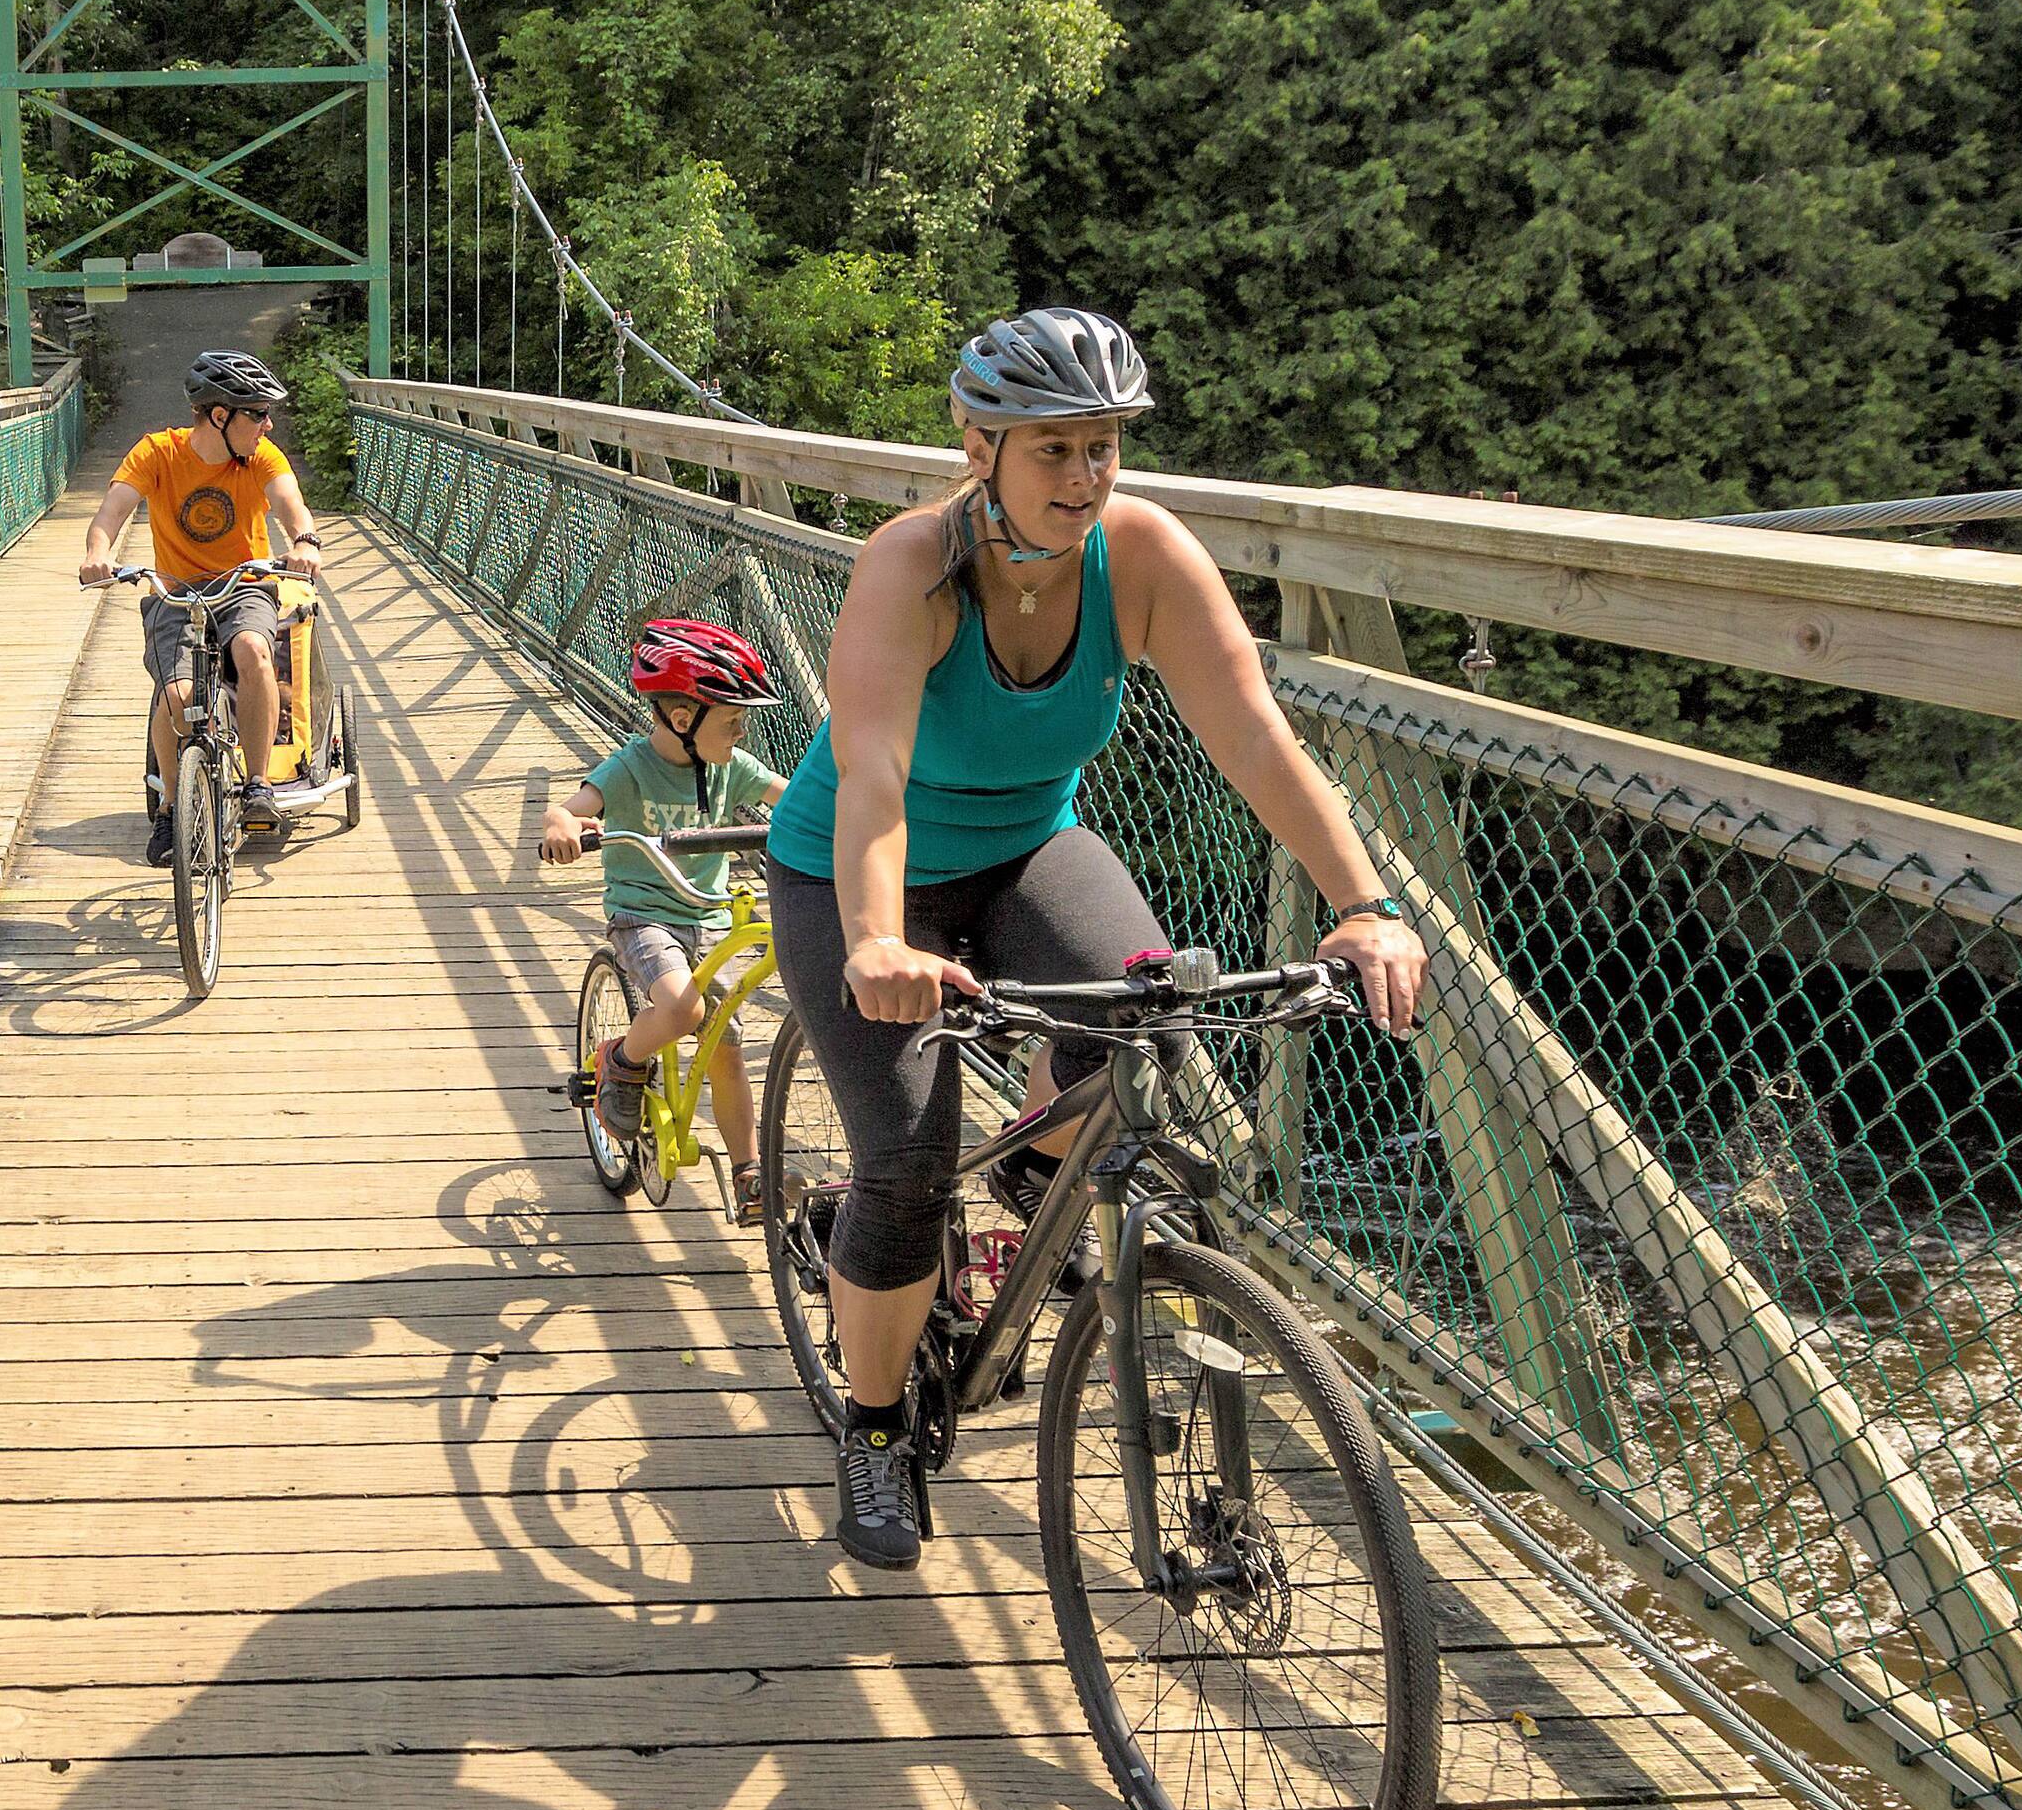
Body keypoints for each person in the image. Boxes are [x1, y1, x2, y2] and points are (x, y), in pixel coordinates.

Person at [764, 305, 1429, 1570]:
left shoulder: (1144, 554)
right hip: (860, 876)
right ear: (980, 447)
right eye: (1051, 448)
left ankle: (1036, 1174)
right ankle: (875, 1423)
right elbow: (871, 779)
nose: (1083, 477)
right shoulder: (910, 565)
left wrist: (1365, 903)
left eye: (1103, 446)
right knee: (904, 1162)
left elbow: (1249, 738)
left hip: (1027, 846)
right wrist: (870, 942)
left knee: (1147, 1024)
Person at [538, 618, 788, 1218]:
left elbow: (798, 799)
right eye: (731, 719)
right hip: (644, 916)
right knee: (682, 1008)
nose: (741, 730)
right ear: (684, 720)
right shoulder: (628, 768)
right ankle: (621, 1061)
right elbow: (569, 807)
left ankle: (748, 1170)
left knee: (724, 1046)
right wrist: (563, 827)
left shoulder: (735, 767)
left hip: (710, 918)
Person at [76, 350, 320, 868]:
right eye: (256, 413)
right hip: (175, 591)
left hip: (244, 585)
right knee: (176, 693)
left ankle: (257, 786)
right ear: (219, 416)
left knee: (255, 650)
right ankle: (169, 807)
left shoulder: (260, 457)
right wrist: (98, 555)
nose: (267, 424)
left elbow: (290, 501)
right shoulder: (157, 454)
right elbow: (110, 512)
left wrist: (305, 541)